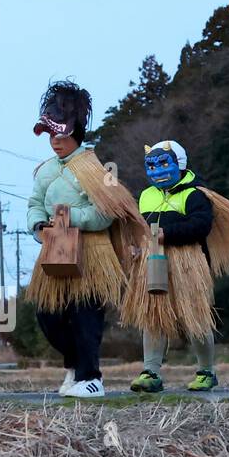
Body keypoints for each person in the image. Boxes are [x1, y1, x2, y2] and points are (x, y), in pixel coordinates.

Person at [26, 81, 146, 398]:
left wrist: (71, 218)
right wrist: (38, 225)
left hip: (92, 250)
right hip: (55, 248)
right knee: (46, 313)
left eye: (61, 135)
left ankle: (90, 377)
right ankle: (75, 365)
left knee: (85, 314)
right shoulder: (44, 170)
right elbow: (34, 203)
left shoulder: (97, 168)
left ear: (76, 133)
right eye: (52, 135)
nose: (55, 141)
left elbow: (106, 212)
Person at [122, 140, 229, 393]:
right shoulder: (145, 196)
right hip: (152, 260)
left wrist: (168, 234)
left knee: (195, 316)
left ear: (179, 163)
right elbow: (139, 228)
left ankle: (206, 371)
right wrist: (134, 247)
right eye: (151, 166)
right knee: (153, 315)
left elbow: (201, 226)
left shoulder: (195, 194)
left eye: (164, 164)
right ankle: (151, 372)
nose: (157, 171)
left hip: (189, 262)